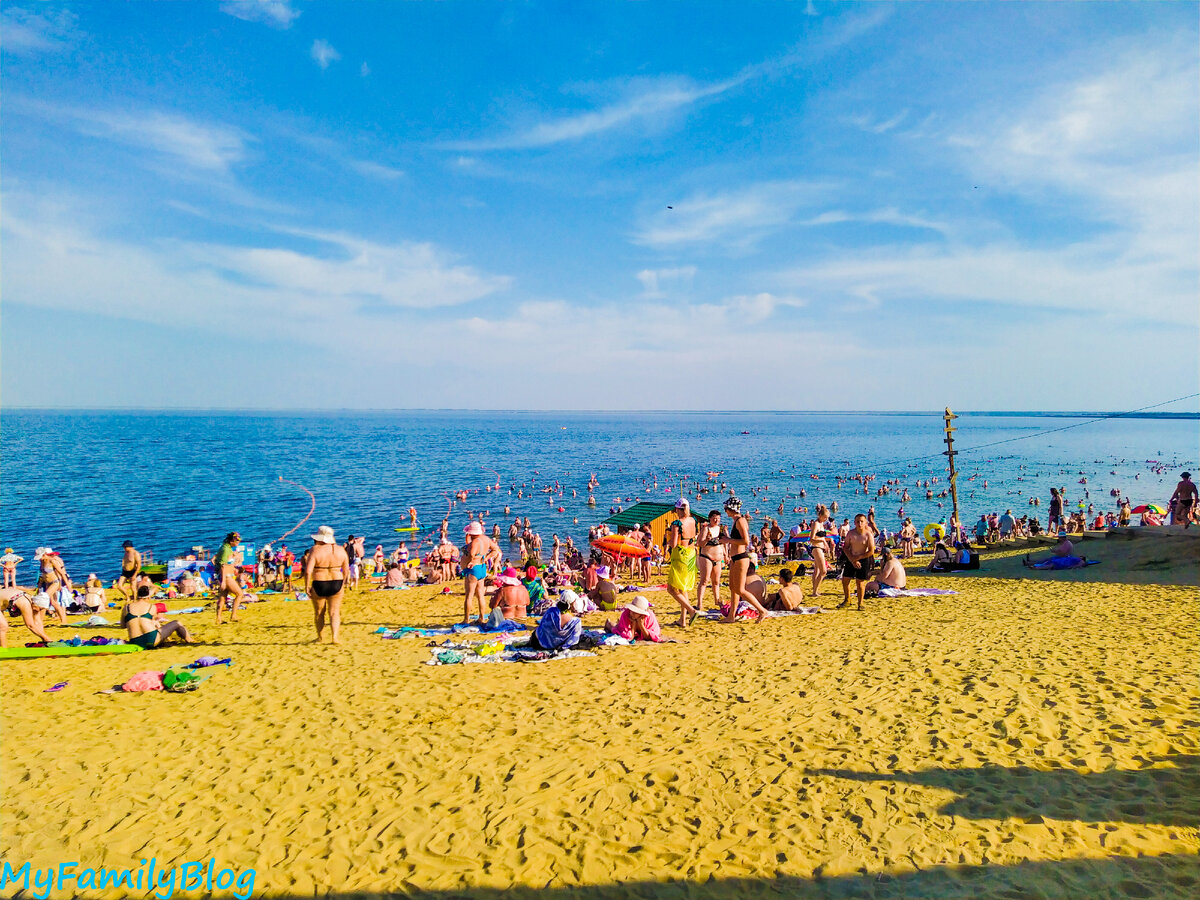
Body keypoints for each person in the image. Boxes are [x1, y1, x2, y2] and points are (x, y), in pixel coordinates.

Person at [722, 497, 769, 624]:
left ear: (731, 509)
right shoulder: (736, 520)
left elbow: (745, 541)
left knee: (740, 589)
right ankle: (731, 616)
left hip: (741, 558)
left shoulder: (740, 521)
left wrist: (728, 540)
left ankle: (762, 610)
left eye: (726, 508)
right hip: (735, 558)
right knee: (733, 588)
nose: (725, 511)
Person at [304, 525, 351, 644]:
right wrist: (344, 583)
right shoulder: (341, 550)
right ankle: (334, 638)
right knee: (334, 612)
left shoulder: (315, 550)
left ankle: (320, 637)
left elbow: (308, 571)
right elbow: (346, 570)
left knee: (319, 612)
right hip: (337, 582)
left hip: (319, 582)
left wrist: (306, 586)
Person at [666, 498, 699, 628]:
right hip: (691, 554)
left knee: (672, 589)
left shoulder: (677, 523)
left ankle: (691, 611)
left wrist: (667, 542)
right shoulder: (694, 520)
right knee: (683, 587)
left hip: (680, 555)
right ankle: (682, 620)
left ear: (679, 510)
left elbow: (674, 544)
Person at [462, 522, 501, 624]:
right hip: (482, 567)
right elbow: (496, 550)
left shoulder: (475, 542)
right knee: (480, 595)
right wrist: (486, 557)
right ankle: (481, 617)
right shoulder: (486, 539)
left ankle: (466, 620)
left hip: (473, 568)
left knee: (469, 596)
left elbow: (471, 554)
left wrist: (470, 561)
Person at [837, 514, 875, 611]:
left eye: (862, 521)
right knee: (845, 580)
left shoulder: (868, 534)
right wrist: (852, 559)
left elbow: (871, 551)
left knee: (860, 582)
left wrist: (858, 558)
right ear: (854, 523)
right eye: (857, 521)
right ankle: (847, 599)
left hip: (863, 559)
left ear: (865, 522)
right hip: (851, 558)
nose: (859, 523)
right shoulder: (851, 533)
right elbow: (845, 547)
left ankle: (860, 603)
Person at [213, 532, 246, 625]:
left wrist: (234, 557)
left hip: (225, 575)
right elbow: (223, 565)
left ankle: (218, 619)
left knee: (223, 598)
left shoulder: (227, 548)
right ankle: (233, 615)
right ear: (232, 541)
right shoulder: (226, 549)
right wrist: (223, 581)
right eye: (237, 540)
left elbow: (224, 562)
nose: (238, 542)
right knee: (239, 594)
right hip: (226, 576)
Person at [696, 509, 725, 615]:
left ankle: (717, 600)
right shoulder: (706, 529)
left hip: (718, 558)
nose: (716, 520)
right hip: (706, 556)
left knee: (716, 581)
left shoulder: (720, 528)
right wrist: (707, 540)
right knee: (704, 580)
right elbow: (699, 543)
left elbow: (723, 543)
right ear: (710, 518)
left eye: (718, 518)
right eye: (714, 518)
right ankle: (699, 603)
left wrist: (725, 555)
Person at [33, 547, 70, 624]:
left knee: (44, 599)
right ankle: (63, 620)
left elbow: (61, 573)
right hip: (47, 584)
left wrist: (67, 585)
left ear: (44, 554)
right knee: (53, 603)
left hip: (54, 582)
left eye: (40, 557)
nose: (39, 559)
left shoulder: (52, 561)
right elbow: (43, 574)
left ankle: (40, 620)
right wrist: (40, 584)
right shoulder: (42, 562)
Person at [809, 506, 832, 596]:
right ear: (820, 515)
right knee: (823, 571)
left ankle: (815, 591)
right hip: (816, 547)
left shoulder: (821, 524)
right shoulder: (816, 524)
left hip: (820, 547)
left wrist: (826, 543)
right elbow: (812, 539)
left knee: (817, 570)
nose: (826, 519)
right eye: (825, 517)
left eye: (827, 517)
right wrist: (822, 541)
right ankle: (814, 591)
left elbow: (821, 537)